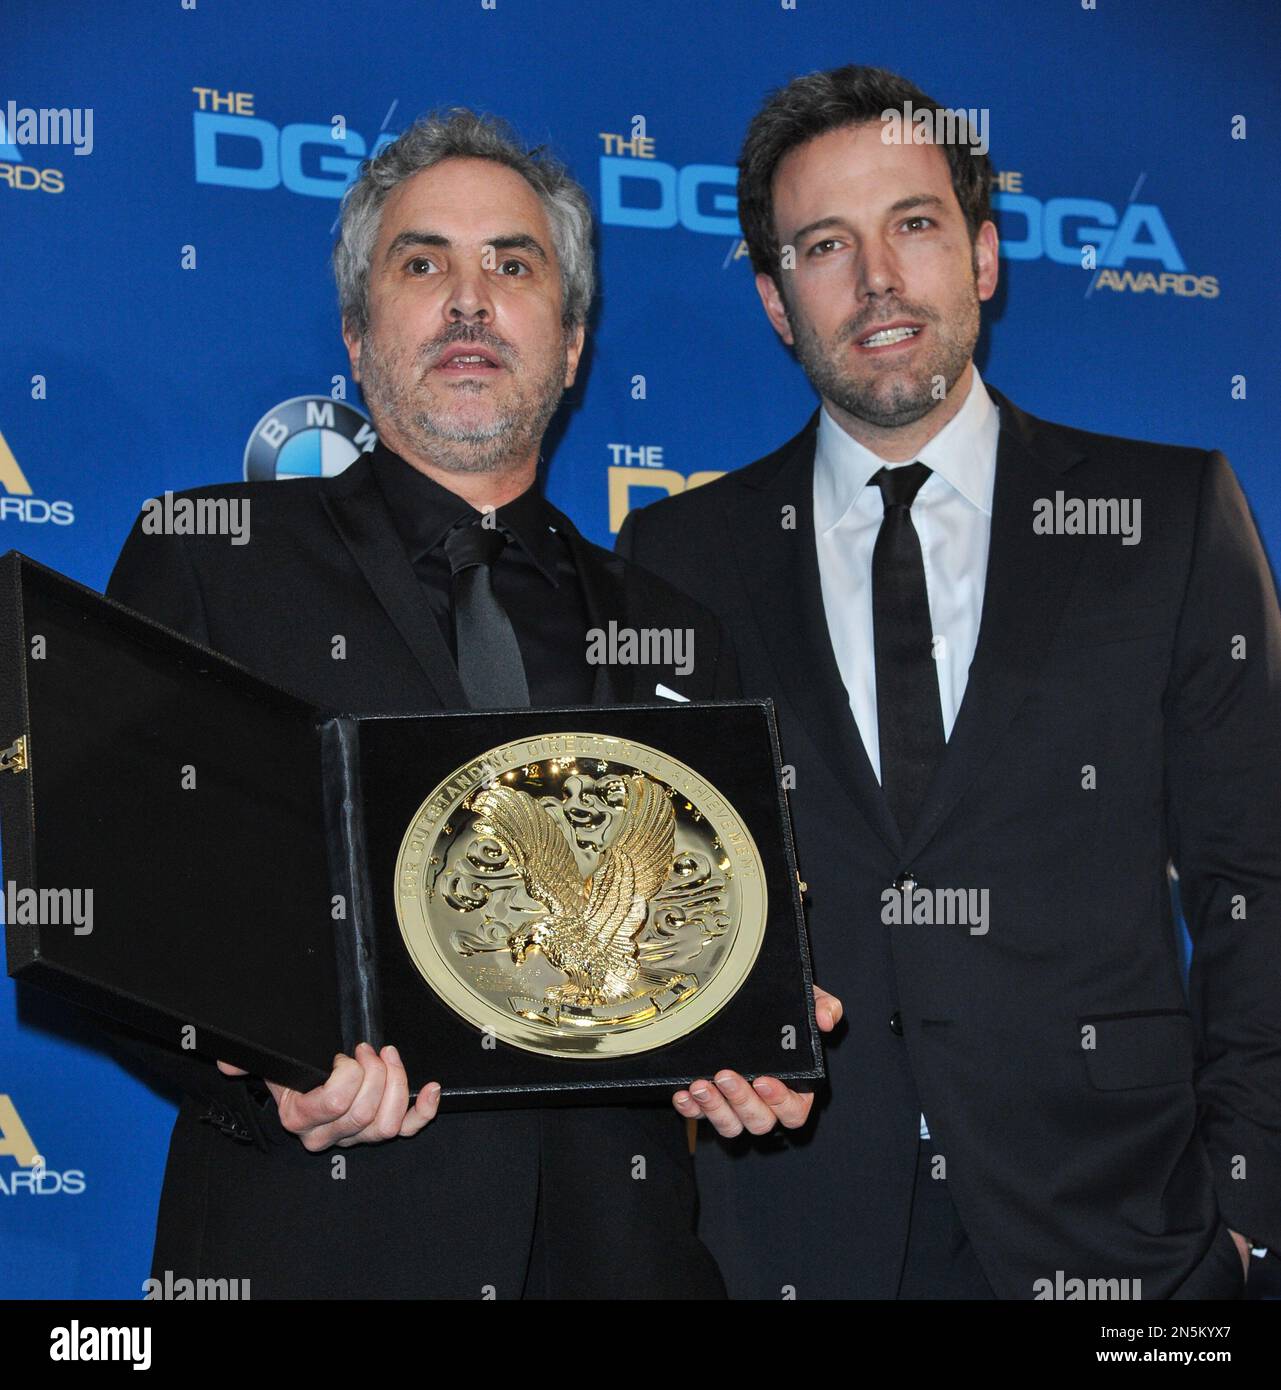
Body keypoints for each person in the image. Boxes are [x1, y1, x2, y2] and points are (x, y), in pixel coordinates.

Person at [103, 108, 837, 1300]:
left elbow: (713, 940)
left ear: (572, 343)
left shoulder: (680, 635)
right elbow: (113, 906)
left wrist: (754, 1031)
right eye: (421, 261)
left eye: (513, 263)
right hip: (311, 1256)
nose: (468, 298)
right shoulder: (212, 557)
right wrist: (256, 1072)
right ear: (355, 334)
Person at [617, 64, 1280, 1300]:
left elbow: (1261, 879)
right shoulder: (677, 558)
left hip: (1126, 1230)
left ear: (983, 255)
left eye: (913, 225)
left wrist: (1248, 1216)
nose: (876, 279)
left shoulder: (1167, 517)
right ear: (775, 299)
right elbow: (652, 890)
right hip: (787, 1231)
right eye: (825, 245)